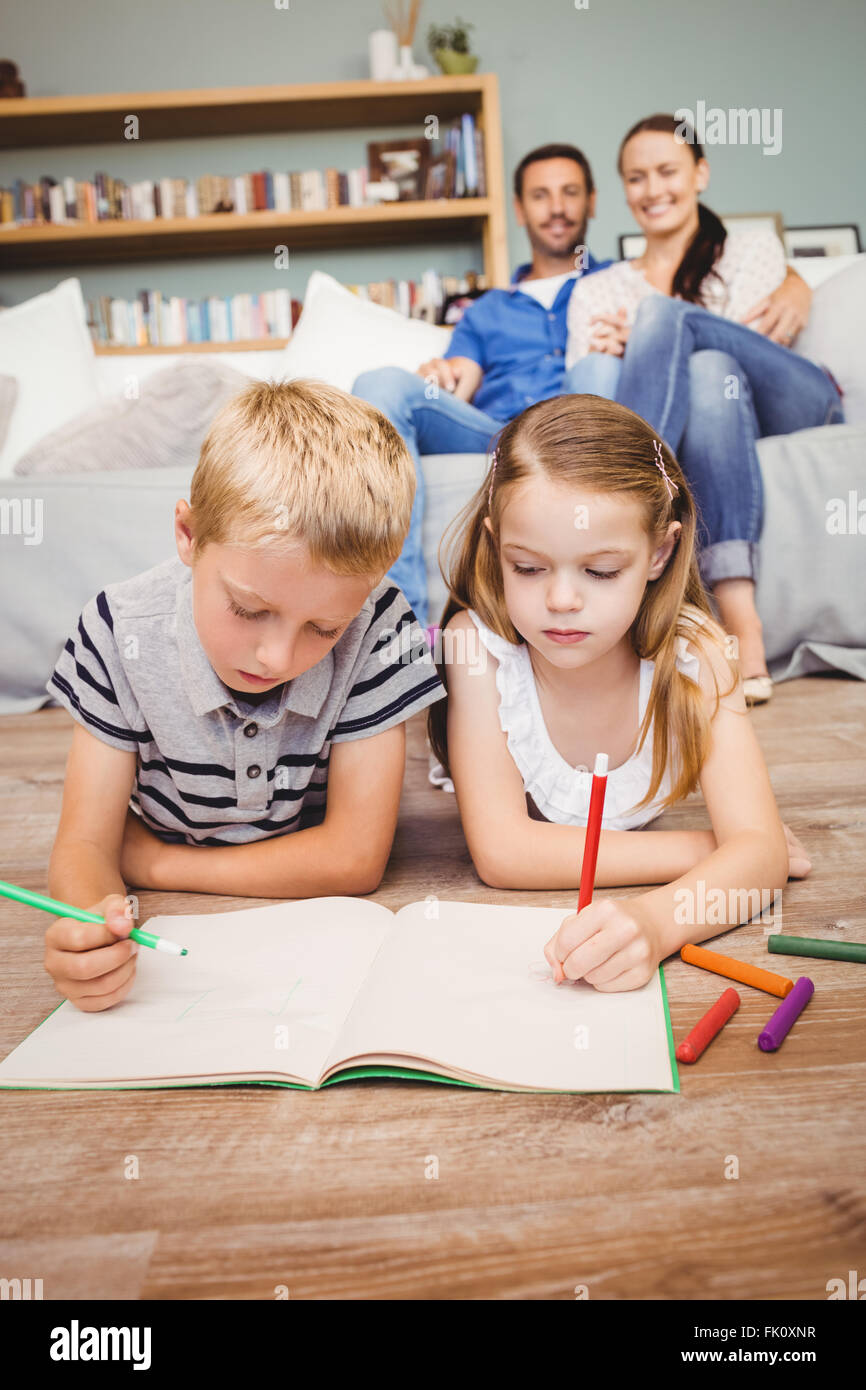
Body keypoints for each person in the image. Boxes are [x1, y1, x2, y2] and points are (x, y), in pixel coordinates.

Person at [42, 379, 446, 1012]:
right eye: (248, 608)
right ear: (188, 533)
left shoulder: (380, 627)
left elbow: (354, 859)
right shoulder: (119, 634)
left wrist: (155, 865)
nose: (277, 658)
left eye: (323, 628)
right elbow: (88, 844)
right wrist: (89, 928)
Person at [427, 393, 811, 992]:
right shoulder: (475, 648)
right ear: (495, 542)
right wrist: (709, 849)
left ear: (659, 552)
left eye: (600, 572)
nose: (560, 601)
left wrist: (656, 923)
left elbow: (762, 859)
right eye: (527, 566)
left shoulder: (697, 656)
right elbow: (504, 853)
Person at [353, 140, 810, 631]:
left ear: (593, 201)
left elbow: (704, 301)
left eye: (570, 192)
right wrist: (446, 377)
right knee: (379, 382)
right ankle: (397, 630)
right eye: (541, 195)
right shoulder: (486, 306)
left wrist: (796, 282)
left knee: (596, 368)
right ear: (519, 208)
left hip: (582, 424)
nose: (556, 207)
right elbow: (461, 367)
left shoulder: (621, 282)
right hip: (496, 430)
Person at [564, 114, 844, 703]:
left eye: (668, 171)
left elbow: (741, 345)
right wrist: (635, 354)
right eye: (637, 178)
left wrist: (646, 335)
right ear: (623, 190)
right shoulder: (599, 288)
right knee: (706, 373)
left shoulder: (749, 249)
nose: (653, 189)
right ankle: (742, 621)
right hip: (717, 403)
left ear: (701, 173)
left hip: (788, 395)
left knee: (689, 341)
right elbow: (589, 389)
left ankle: (628, 508)